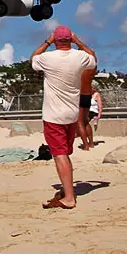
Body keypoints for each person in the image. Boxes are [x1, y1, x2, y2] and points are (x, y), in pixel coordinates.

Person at [30, 25, 97, 210]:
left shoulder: (48, 58)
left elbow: (33, 58)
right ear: (70, 39)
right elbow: (93, 57)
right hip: (71, 114)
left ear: (56, 40)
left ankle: (69, 197)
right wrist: (78, 42)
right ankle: (68, 189)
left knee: (60, 155)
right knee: (65, 154)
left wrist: (47, 41)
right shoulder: (79, 57)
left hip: (53, 115)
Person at [83, 85, 104, 150]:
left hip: (93, 111)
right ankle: (89, 142)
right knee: (84, 124)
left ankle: (90, 142)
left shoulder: (96, 94)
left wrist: (99, 115)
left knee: (84, 123)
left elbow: (100, 105)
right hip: (87, 111)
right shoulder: (87, 95)